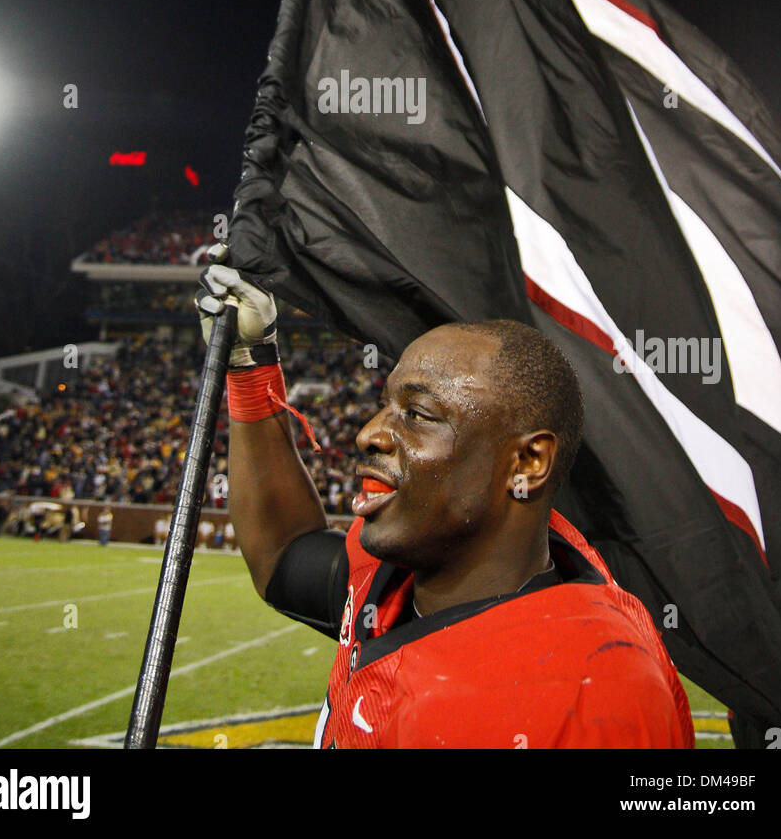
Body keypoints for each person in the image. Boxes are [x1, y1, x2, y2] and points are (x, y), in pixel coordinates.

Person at [196, 252, 694, 750]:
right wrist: (249, 364)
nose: (369, 433)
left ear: (527, 463)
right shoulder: (404, 567)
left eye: (418, 414)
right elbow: (286, 554)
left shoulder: (597, 695)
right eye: (385, 405)